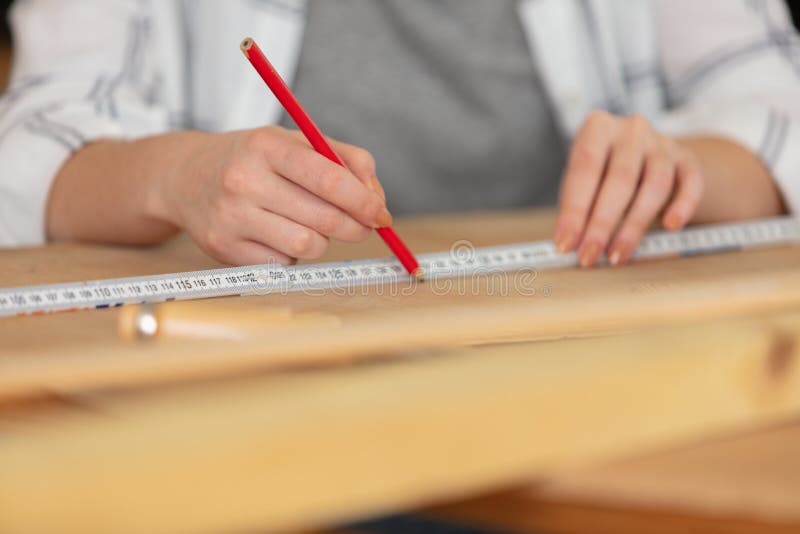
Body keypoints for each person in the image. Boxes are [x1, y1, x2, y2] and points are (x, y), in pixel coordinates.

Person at [0, 0, 796, 268]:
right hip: (244, 388)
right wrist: (174, 175)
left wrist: (680, 170)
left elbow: (777, 112)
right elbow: (26, 158)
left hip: (586, 363)